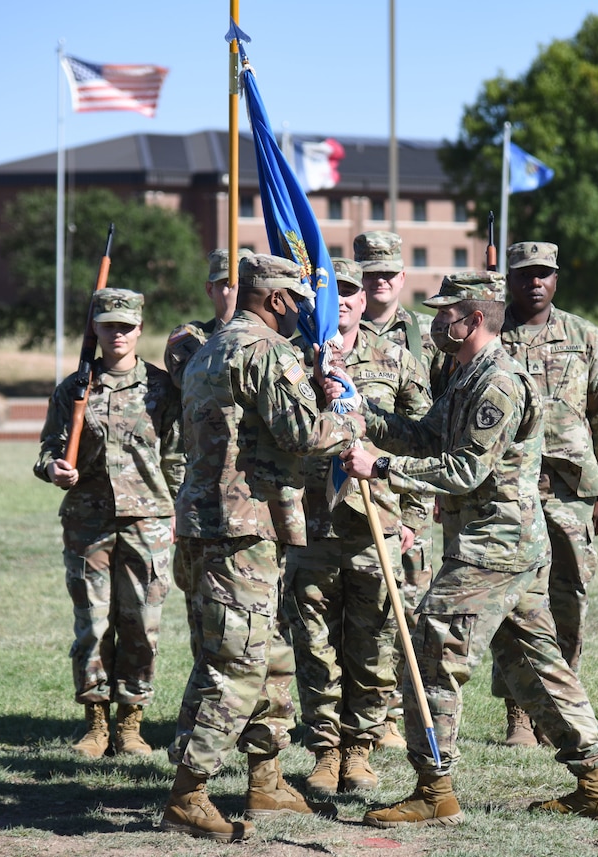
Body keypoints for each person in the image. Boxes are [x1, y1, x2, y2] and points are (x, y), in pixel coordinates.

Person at [337, 270, 598, 828]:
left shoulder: (497, 382)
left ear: (473, 320)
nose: (435, 323)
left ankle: (434, 789)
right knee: (534, 665)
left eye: (445, 315)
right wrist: (361, 414)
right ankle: (597, 787)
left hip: (492, 549)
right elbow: (427, 437)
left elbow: (465, 470)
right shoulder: (466, 375)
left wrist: (382, 468)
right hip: (504, 546)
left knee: (431, 654)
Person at [160, 254, 366, 842]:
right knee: (238, 666)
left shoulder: (212, 346)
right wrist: (350, 419)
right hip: (240, 528)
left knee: (265, 654)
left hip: (210, 524)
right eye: (298, 300)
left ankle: (266, 778)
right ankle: (188, 793)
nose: (304, 311)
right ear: (275, 300)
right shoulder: (267, 351)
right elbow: (301, 433)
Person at [285, 258, 433, 795]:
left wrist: (414, 515)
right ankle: (325, 749)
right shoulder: (290, 359)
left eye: (349, 291)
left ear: (363, 299)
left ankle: (360, 749)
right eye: (331, 293)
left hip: (378, 520)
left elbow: (424, 438)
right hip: (311, 522)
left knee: (375, 640)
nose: (341, 301)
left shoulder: (397, 360)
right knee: (315, 642)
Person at [34, 288, 179, 759]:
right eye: (108, 325)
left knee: (141, 625)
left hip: (148, 521)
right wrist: (54, 469)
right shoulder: (75, 388)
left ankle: (131, 724)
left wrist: (178, 510)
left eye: (126, 326)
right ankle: (96, 723)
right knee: (93, 626)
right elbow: (49, 449)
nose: (117, 334)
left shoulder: (161, 388)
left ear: (139, 329)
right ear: (94, 329)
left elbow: (177, 457)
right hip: (88, 522)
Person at [495, 241, 598, 748]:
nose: (534, 282)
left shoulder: (585, 337)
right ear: (509, 279)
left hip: (570, 491)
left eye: (543, 274)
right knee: (513, 600)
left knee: (568, 598)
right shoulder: (489, 334)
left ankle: (561, 709)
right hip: (508, 487)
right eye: (524, 274)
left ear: (556, 279)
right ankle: (519, 712)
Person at [354, 229, 438, 751]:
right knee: (366, 607)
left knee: (408, 608)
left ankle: (397, 711)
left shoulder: (427, 334)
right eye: (371, 273)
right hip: (357, 497)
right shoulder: (337, 328)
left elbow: (434, 420)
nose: (380, 281)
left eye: (389, 272)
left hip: (410, 494)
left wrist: (418, 508)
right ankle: (370, 713)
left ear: (403, 276)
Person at [163, 247, 254, 659]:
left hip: (252, 497)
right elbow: (197, 374)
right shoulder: (190, 339)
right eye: (224, 285)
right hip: (203, 497)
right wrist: (236, 328)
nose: (232, 292)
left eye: (241, 285)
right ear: (209, 289)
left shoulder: (272, 343)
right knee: (205, 616)